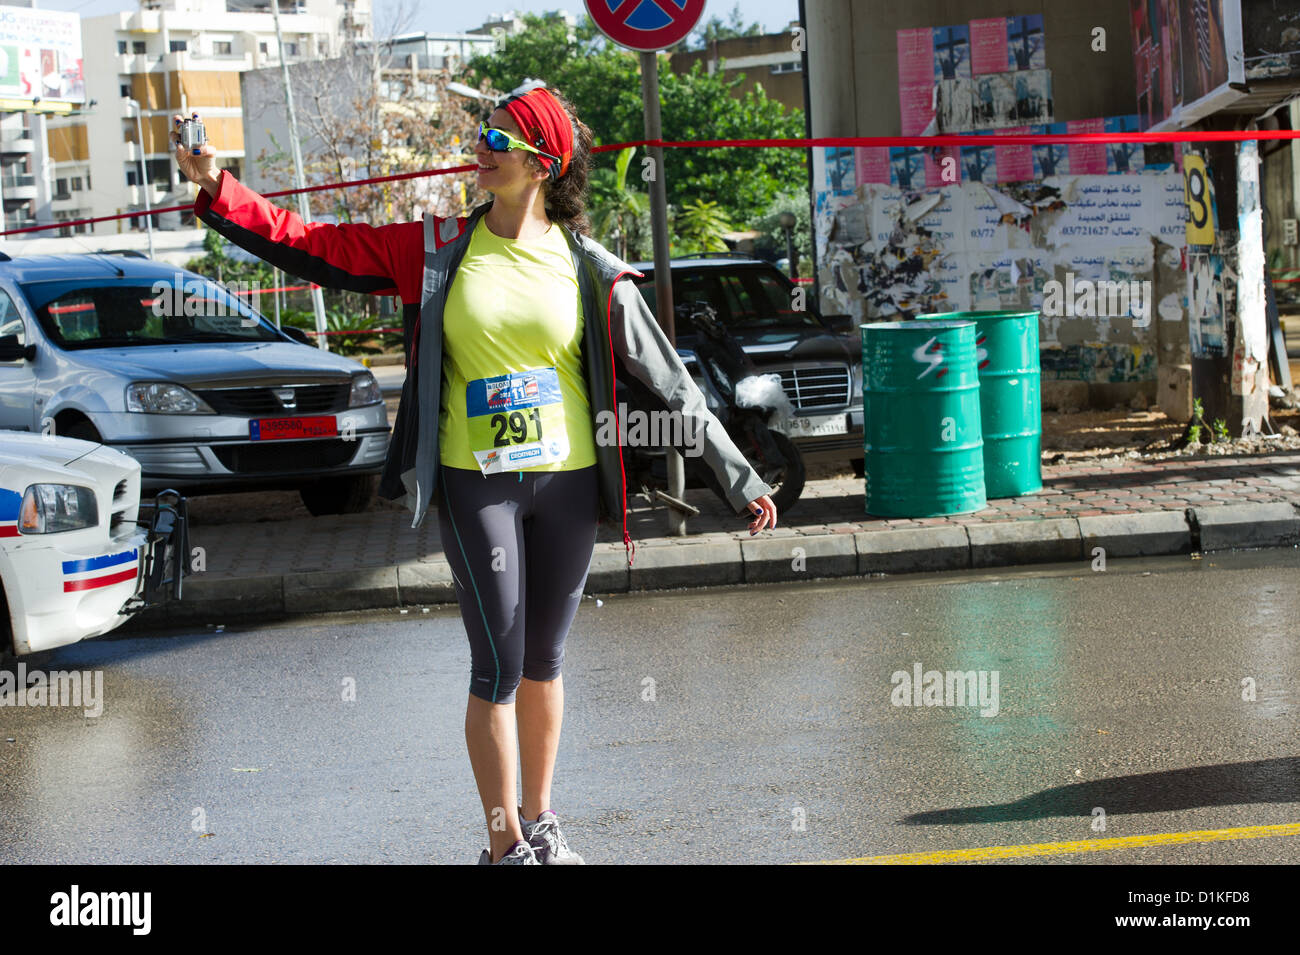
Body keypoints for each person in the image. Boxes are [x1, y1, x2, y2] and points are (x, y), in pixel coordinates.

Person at [172, 82, 778, 865]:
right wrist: (220, 188)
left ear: (543, 164)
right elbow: (319, 244)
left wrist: (739, 477)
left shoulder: (590, 268)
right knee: (495, 659)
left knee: (544, 661)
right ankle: (503, 846)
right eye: (483, 136)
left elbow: (672, 382)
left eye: (498, 141)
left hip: (567, 482)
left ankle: (541, 820)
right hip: (476, 481)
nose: (481, 151)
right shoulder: (436, 250)